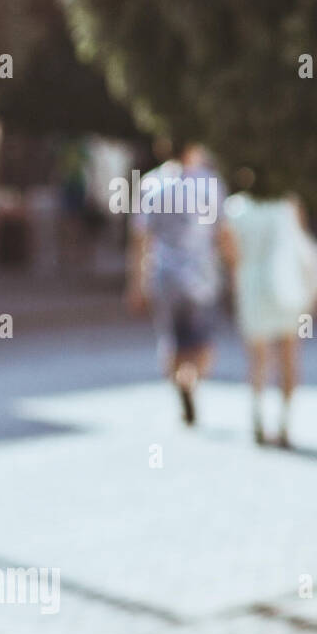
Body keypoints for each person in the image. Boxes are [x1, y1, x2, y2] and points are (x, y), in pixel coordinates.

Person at [125, 139, 234, 426]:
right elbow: (222, 233)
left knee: (171, 341)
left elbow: (140, 238)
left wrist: (136, 283)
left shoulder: (151, 184)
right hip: (202, 277)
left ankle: (180, 382)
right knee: (203, 343)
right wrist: (235, 270)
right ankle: (191, 378)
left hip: (163, 275)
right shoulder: (210, 183)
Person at [221, 165, 317, 447]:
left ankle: (257, 416)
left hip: (252, 286)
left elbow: (230, 254)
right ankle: (284, 422)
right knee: (289, 356)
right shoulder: (288, 204)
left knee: (257, 358)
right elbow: (303, 245)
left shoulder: (234, 209)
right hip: (287, 286)